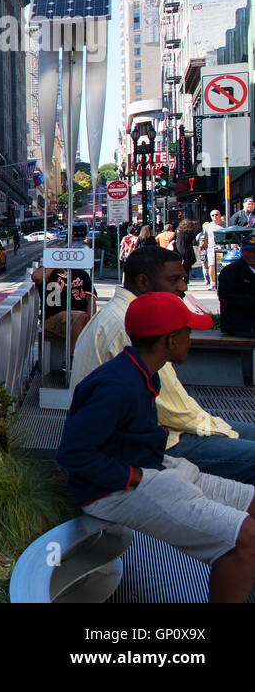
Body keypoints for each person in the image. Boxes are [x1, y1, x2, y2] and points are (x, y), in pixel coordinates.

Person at [57, 292, 255, 603]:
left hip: (151, 471)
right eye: (188, 333)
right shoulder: (117, 385)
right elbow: (72, 453)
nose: (192, 339)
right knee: (244, 541)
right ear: (171, 340)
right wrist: (134, 476)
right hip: (113, 492)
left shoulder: (139, 371)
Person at [71, 244, 255, 484]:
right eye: (174, 279)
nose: (183, 287)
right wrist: (222, 431)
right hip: (150, 446)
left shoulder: (125, 314)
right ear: (143, 282)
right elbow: (173, 411)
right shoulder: (127, 325)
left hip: (148, 435)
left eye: (183, 278)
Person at [32, 251, 97, 346]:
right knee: (81, 317)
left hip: (80, 319)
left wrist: (91, 322)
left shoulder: (81, 274)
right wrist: (52, 263)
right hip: (53, 319)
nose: (60, 257)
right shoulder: (47, 274)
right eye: (55, 255)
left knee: (87, 320)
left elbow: (91, 301)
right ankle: (73, 358)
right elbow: (37, 278)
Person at [217, 235, 255, 338]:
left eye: (254, 251)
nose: (251, 255)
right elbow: (225, 298)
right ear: (242, 251)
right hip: (237, 327)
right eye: (248, 251)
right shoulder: (231, 271)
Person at [203, 209, 225, 289]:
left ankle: (222, 282)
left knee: (222, 266)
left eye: (216, 215)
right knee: (212, 265)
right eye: (213, 215)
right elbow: (205, 238)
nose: (215, 217)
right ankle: (213, 283)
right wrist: (206, 248)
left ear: (220, 215)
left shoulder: (225, 224)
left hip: (223, 248)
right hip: (212, 248)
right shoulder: (208, 226)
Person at [176, 218, 198, 284]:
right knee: (187, 267)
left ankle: (180, 279)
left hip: (179, 250)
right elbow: (194, 243)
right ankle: (186, 280)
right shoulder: (190, 233)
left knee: (180, 265)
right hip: (188, 251)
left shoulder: (179, 232)